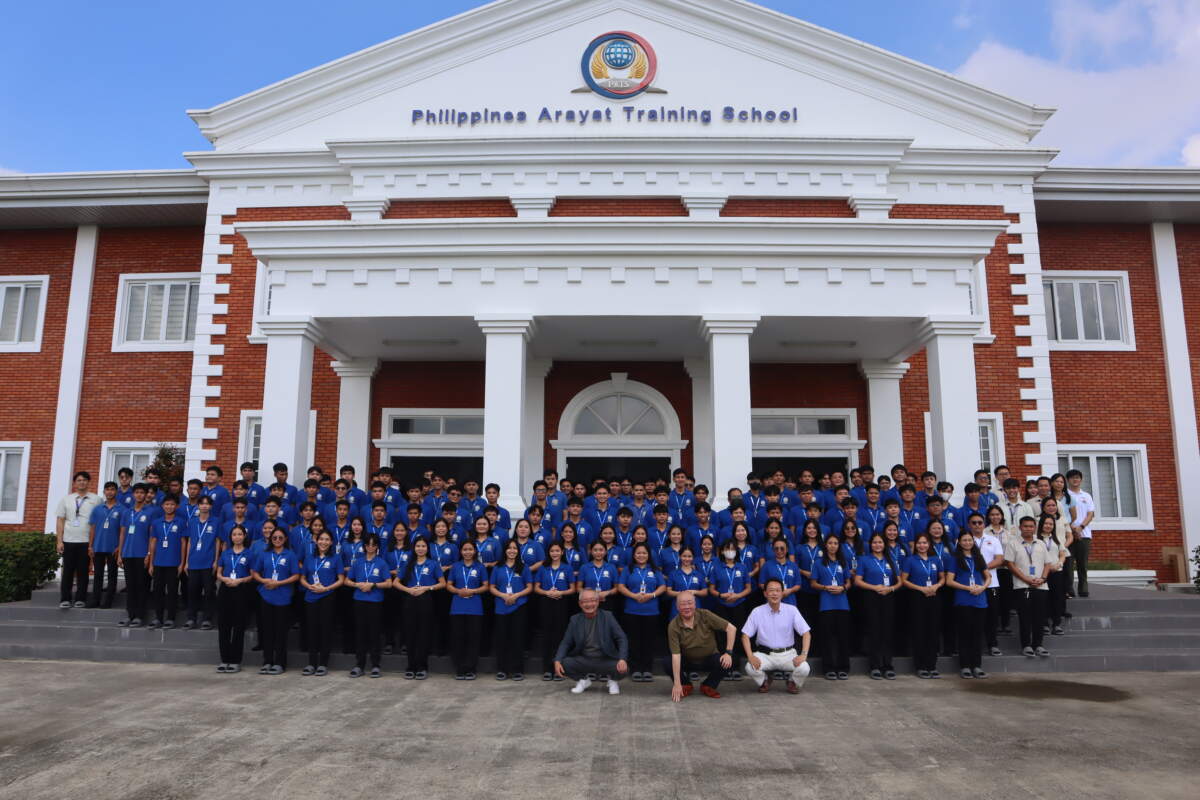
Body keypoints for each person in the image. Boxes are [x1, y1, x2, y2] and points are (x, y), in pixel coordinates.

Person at [741, 578, 812, 693]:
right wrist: (750, 656)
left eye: (778, 590)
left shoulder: (792, 610)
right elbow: (745, 636)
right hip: (765, 655)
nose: (774, 593)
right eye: (771, 590)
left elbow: (806, 633)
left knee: (805, 668)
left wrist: (803, 654)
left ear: (782, 593)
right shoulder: (757, 612)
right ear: (765, 593)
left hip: (787, 654)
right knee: (750, 667)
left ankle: (792, 681)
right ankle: (765, 680)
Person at [553, 589, 629, 695]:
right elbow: (566, 642)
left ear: (598, 601)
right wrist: (557, 660)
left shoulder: (607, 616)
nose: (589, 604)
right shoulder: (575, 620)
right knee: (564, 663)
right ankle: (583, 681)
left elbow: (621, 638)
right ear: (580, 604)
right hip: (584, 659)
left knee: (623, 668)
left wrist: (622, 659)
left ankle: (612, 681)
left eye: (593, 600)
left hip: (605, 659)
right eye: (585, 601)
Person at [668, 590, 737, 700]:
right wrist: (677, 684)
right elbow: (676, 655)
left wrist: (728, 652)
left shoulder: (705, 615)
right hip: (687, 660)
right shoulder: (673, 625)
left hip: (709, 658)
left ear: (695, 604)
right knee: (667, 662)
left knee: (727, 661)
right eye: (683, 604)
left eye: (690, 603)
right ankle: (685, 684)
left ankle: (709, 685)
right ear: (677, 607)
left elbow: (731, 629)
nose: (687, 607)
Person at [251, 526, 300, 675]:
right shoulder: (265, 554)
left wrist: (278, 583)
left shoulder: (290, 555)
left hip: (283, 596)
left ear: (285, 539)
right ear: (270, 540)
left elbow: (296, 575)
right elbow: (254, 572)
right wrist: (264, 580)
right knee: (267, 630)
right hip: (266, 595)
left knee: (280, 631)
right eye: (274, 538)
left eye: (280, 538)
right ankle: (267, 661)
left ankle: (280, 663)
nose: (277, 540)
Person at [617, 542, 665, 682]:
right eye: (638, 553)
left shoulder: (655, 569)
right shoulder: (628, 569)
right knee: (634, 641)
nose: (641, 555)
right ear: (634, 555)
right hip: (632, 610)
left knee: (648, 641)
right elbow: (620, 586)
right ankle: (636, 669)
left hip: (651, 611)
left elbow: (662, 586)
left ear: (648, 555)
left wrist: (652, 595)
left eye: (644, 553)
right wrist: (634, 596)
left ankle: (647, 669)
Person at [854, 532, 899, 680]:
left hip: (888, 597)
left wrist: (890, 588)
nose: (877, 545)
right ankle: (874, 666)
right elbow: (858, 581)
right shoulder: (864, 560)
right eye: (874, 542)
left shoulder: (890, 559)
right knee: (874, 632)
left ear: (884, 544)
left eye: (880, 542)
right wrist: (874, 587)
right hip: (871, 597)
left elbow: (899, 581)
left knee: (887, 632)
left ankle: (887, 665)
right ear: (870, 545)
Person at [946, 530, 990, 679]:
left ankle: (977, 666)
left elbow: (988, 577)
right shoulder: (955, 558)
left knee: (977, 635)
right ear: (959, 542)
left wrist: (983, 587)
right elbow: (949, 581)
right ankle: (965, 666)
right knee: (964, 635)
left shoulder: (979, 557)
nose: (967, 543)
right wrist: (967, 588)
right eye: (964, 540)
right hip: (963, 600)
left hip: (980, 600)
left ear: (973, 541)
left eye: (969, 540)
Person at [397, 537, 443, 679]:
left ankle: (422, 667)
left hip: (426, 600)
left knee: (424, 634)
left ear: (427, 548)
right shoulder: (408, 564)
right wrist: (408, 590)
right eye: (418, 546)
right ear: (414, 548)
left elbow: (443, 583)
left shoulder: (433, 564)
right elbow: (395, 582)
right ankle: (411, 666)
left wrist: (427, 588)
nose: (421, 548)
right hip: (410, 600)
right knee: (411, 634)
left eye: (423, 546)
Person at [1006, 516, 1052, 658]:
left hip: (1040, 586)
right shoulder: (1013, 543)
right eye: (1025, 526)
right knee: (1025, 617)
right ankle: (1026, 645)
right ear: (1020, 527)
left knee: (1039, 617)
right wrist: (1026, 579)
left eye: (1031, 526)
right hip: (1022, 586)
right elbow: (1010, 564)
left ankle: (1038, 645)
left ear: (1035, 527)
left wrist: (1043, 578)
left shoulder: (1041, 543)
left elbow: (1048, 563)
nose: (1028, 529)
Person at [55, 471, 101, 609]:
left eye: (84, 480)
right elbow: (60, 520)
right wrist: (59, 540)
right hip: (69, 540)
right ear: (75, 483)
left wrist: (94, 543)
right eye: (79, 480)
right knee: (68, 570)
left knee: (83, 571)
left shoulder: (96, 499)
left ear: (89, 482)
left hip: (86, 541)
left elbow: (99, 521)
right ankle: (65, 598)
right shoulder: (66, 499)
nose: (82, 482)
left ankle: (81, 598)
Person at [300, 529, 343, 676]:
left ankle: (323, 664)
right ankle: (311, 663)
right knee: (312, 630)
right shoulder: (309, 558)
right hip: (311, 597)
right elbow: (302, 578)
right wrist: (309, 586)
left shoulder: (336, 558)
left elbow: (341, 579)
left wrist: (326, 588)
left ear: (331, 542)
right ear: (316, 541)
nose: (323, 542)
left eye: (326, 540)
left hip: (327, 597)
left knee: (325, 630)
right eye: (321, 539)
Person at [901, 532, 943, 679]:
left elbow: (942, 578)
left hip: (933, 597)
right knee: (919, 632)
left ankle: (932, 665)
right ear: (915, 545)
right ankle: (921, 666)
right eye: (919, 543)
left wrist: (936, 586)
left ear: (929, 544)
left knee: (932, 631)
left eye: (925, 543)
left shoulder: (935, 560)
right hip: (917, 597)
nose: (922, 545)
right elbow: (904, 580)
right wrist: (921, 589)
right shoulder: (910, 560)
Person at [214, 524, 255, 673]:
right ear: (230, 537)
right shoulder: (225, 553)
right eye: (234, 535)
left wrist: (240, 580)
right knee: (224, 626)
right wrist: (224, 579)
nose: (237, 537)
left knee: (238, 626)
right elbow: (218, 573)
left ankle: (236, 660)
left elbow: (252, 575)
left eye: (239, 534)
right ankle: (225, 659)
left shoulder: (249, 554)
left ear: (244, 536)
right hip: (226, 589)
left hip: (241, 590)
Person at [490, 539, 533, 681]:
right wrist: (503, 595)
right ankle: (502, 669)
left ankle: (517, 670)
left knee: (517, 639)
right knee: (502, 639)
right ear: (505, 551)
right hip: (501, 607)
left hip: (518, 606)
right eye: (509, 548)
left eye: (515, 548)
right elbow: (491, 587)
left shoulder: (523, 567)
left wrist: (516, 595)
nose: (512, 550)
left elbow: (529, 587)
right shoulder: (498, 567)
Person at [447, 539, 489, 680]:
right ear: (461, 551)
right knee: (458, 638)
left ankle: (471, 668)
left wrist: (473, 590)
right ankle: (459, 668)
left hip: (475, 608)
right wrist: (458, 591)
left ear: (475, 551)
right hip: (457, 607)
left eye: (470, 549)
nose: (467, 552)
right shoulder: (456, 566)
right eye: (465, 549)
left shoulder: (480, 567)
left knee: (473, 639)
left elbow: (486, 586)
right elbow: (449, 585)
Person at [534, 542, 576, 681]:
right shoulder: (543, 568)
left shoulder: (567, 568)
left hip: (561, 603)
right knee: (547, 635)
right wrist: (547, 593)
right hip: (546, 603)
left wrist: (561, 593)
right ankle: (547, 669)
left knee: (560, 636)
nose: (555, 553)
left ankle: (559, 669)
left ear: (562, 552)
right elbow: (536, 588)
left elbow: (573, 589)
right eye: (552, 551)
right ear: (549, 553)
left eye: (557, 551)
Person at [811, 534, 850, 680]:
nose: (833, 545)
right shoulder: (819, 563)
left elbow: (849, 582)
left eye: (835, 543)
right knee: (827, 638)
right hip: (826, 604)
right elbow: (813, 583)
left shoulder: (842, 562)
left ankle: (843, 667)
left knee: (843, 638)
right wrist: (825, 587)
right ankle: (828, 668)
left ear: (838, 546)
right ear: (825, 545)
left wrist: (843, 588)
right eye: (830, 543)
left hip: (842, 604)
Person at [148, 496, 187, 629]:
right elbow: (153, 543)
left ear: (176, 506)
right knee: (157, 591)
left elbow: (183, 543)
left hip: (174, 563)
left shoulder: (181, 522)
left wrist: (182, 563)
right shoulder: (157, 522)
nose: (169, 507)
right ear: (162, 506)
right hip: (158, 563)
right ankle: (158, 618)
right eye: (166, 504)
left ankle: (170, 618)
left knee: (172, 591)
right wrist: (151, 563)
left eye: (172, 504)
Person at [86, 481, 124, 609]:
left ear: (116, 492)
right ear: (104, 492)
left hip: (113, 548)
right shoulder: (97, 509)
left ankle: (108, 601)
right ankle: (95, 600)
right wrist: (90, 545)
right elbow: (92, 528)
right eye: (107, 489)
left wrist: (119, 546)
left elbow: (122, 530)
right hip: (98, 547)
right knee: (98, 575)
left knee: (112, 576)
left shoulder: (122, 509)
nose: (110, 492)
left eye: (112, 489)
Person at [184, 496, 219, 630]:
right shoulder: (192, 521)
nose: (204, 506)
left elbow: (217, 541)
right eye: (202, 504)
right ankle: (191, 618)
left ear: (210, 506)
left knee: (209, 591)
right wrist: (187, 561)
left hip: (208, 562)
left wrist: (216, 561)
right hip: (193, 561)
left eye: (207, 504)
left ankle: (207, 618)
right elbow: (190, 541)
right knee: (192, 591)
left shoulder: (215, 521)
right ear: (198, 506)